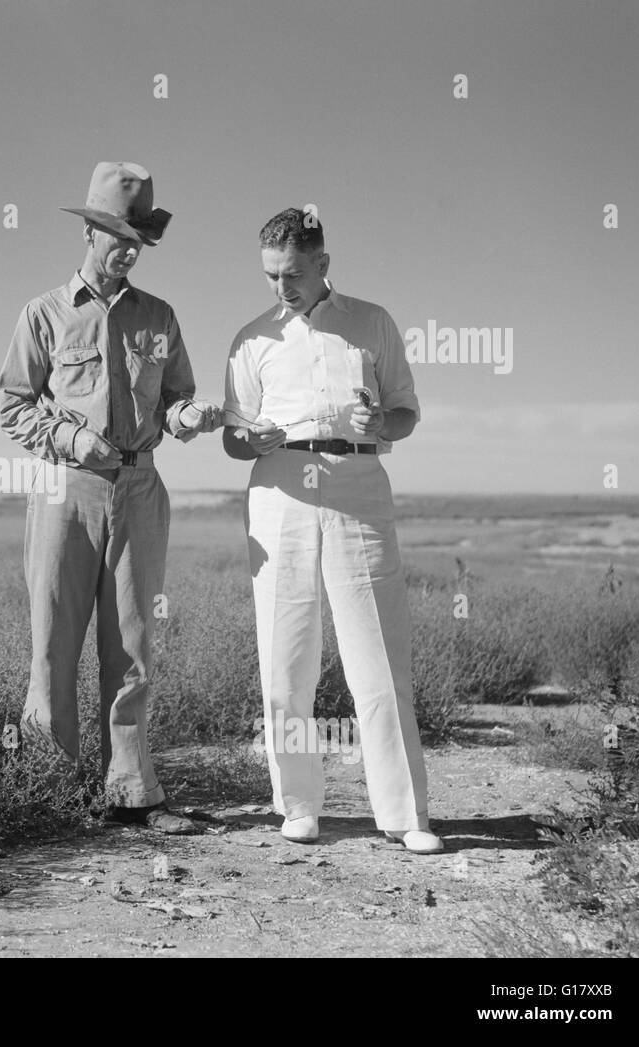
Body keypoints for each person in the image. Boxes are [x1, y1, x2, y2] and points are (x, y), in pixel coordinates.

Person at [0, 162, 221, 834]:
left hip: (141, 486)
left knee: (132, 644)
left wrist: (188, 419)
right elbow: (13, 405)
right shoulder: (44, 313)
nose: (128, 249)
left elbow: (176, 403)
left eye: (138, 240)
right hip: (66, 490)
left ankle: (130, 796)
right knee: (53, 640)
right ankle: (52, 797)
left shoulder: (161, 317)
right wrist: (69, 438)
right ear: (91, 230)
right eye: (118, 235)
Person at [221, 207, 444, 854]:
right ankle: (298, 806)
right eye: (270, 276)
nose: (280, 288)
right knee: (284, 655)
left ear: (322, 264)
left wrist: (383, 427)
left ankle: (406, 816)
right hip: (280, 489)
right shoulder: (250, 339)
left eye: (291, 273)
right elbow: (235, 440)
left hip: (358, 486)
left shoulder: (372, 323)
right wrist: (249, 438)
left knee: (378, 655)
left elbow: (405, 412)